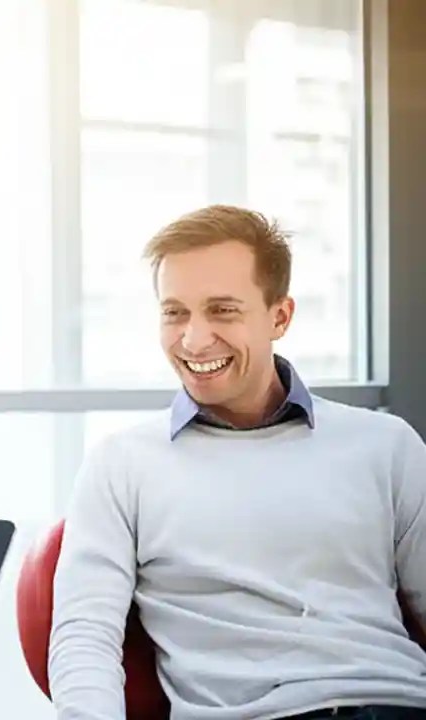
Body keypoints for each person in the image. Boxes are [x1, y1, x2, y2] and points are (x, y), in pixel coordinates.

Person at [47, 205, 426, 719]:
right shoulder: (122, 464)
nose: (194, 339)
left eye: (222, 310)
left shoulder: (385, 444)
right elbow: (85, 638)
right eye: (174, 312)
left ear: (280, 317)